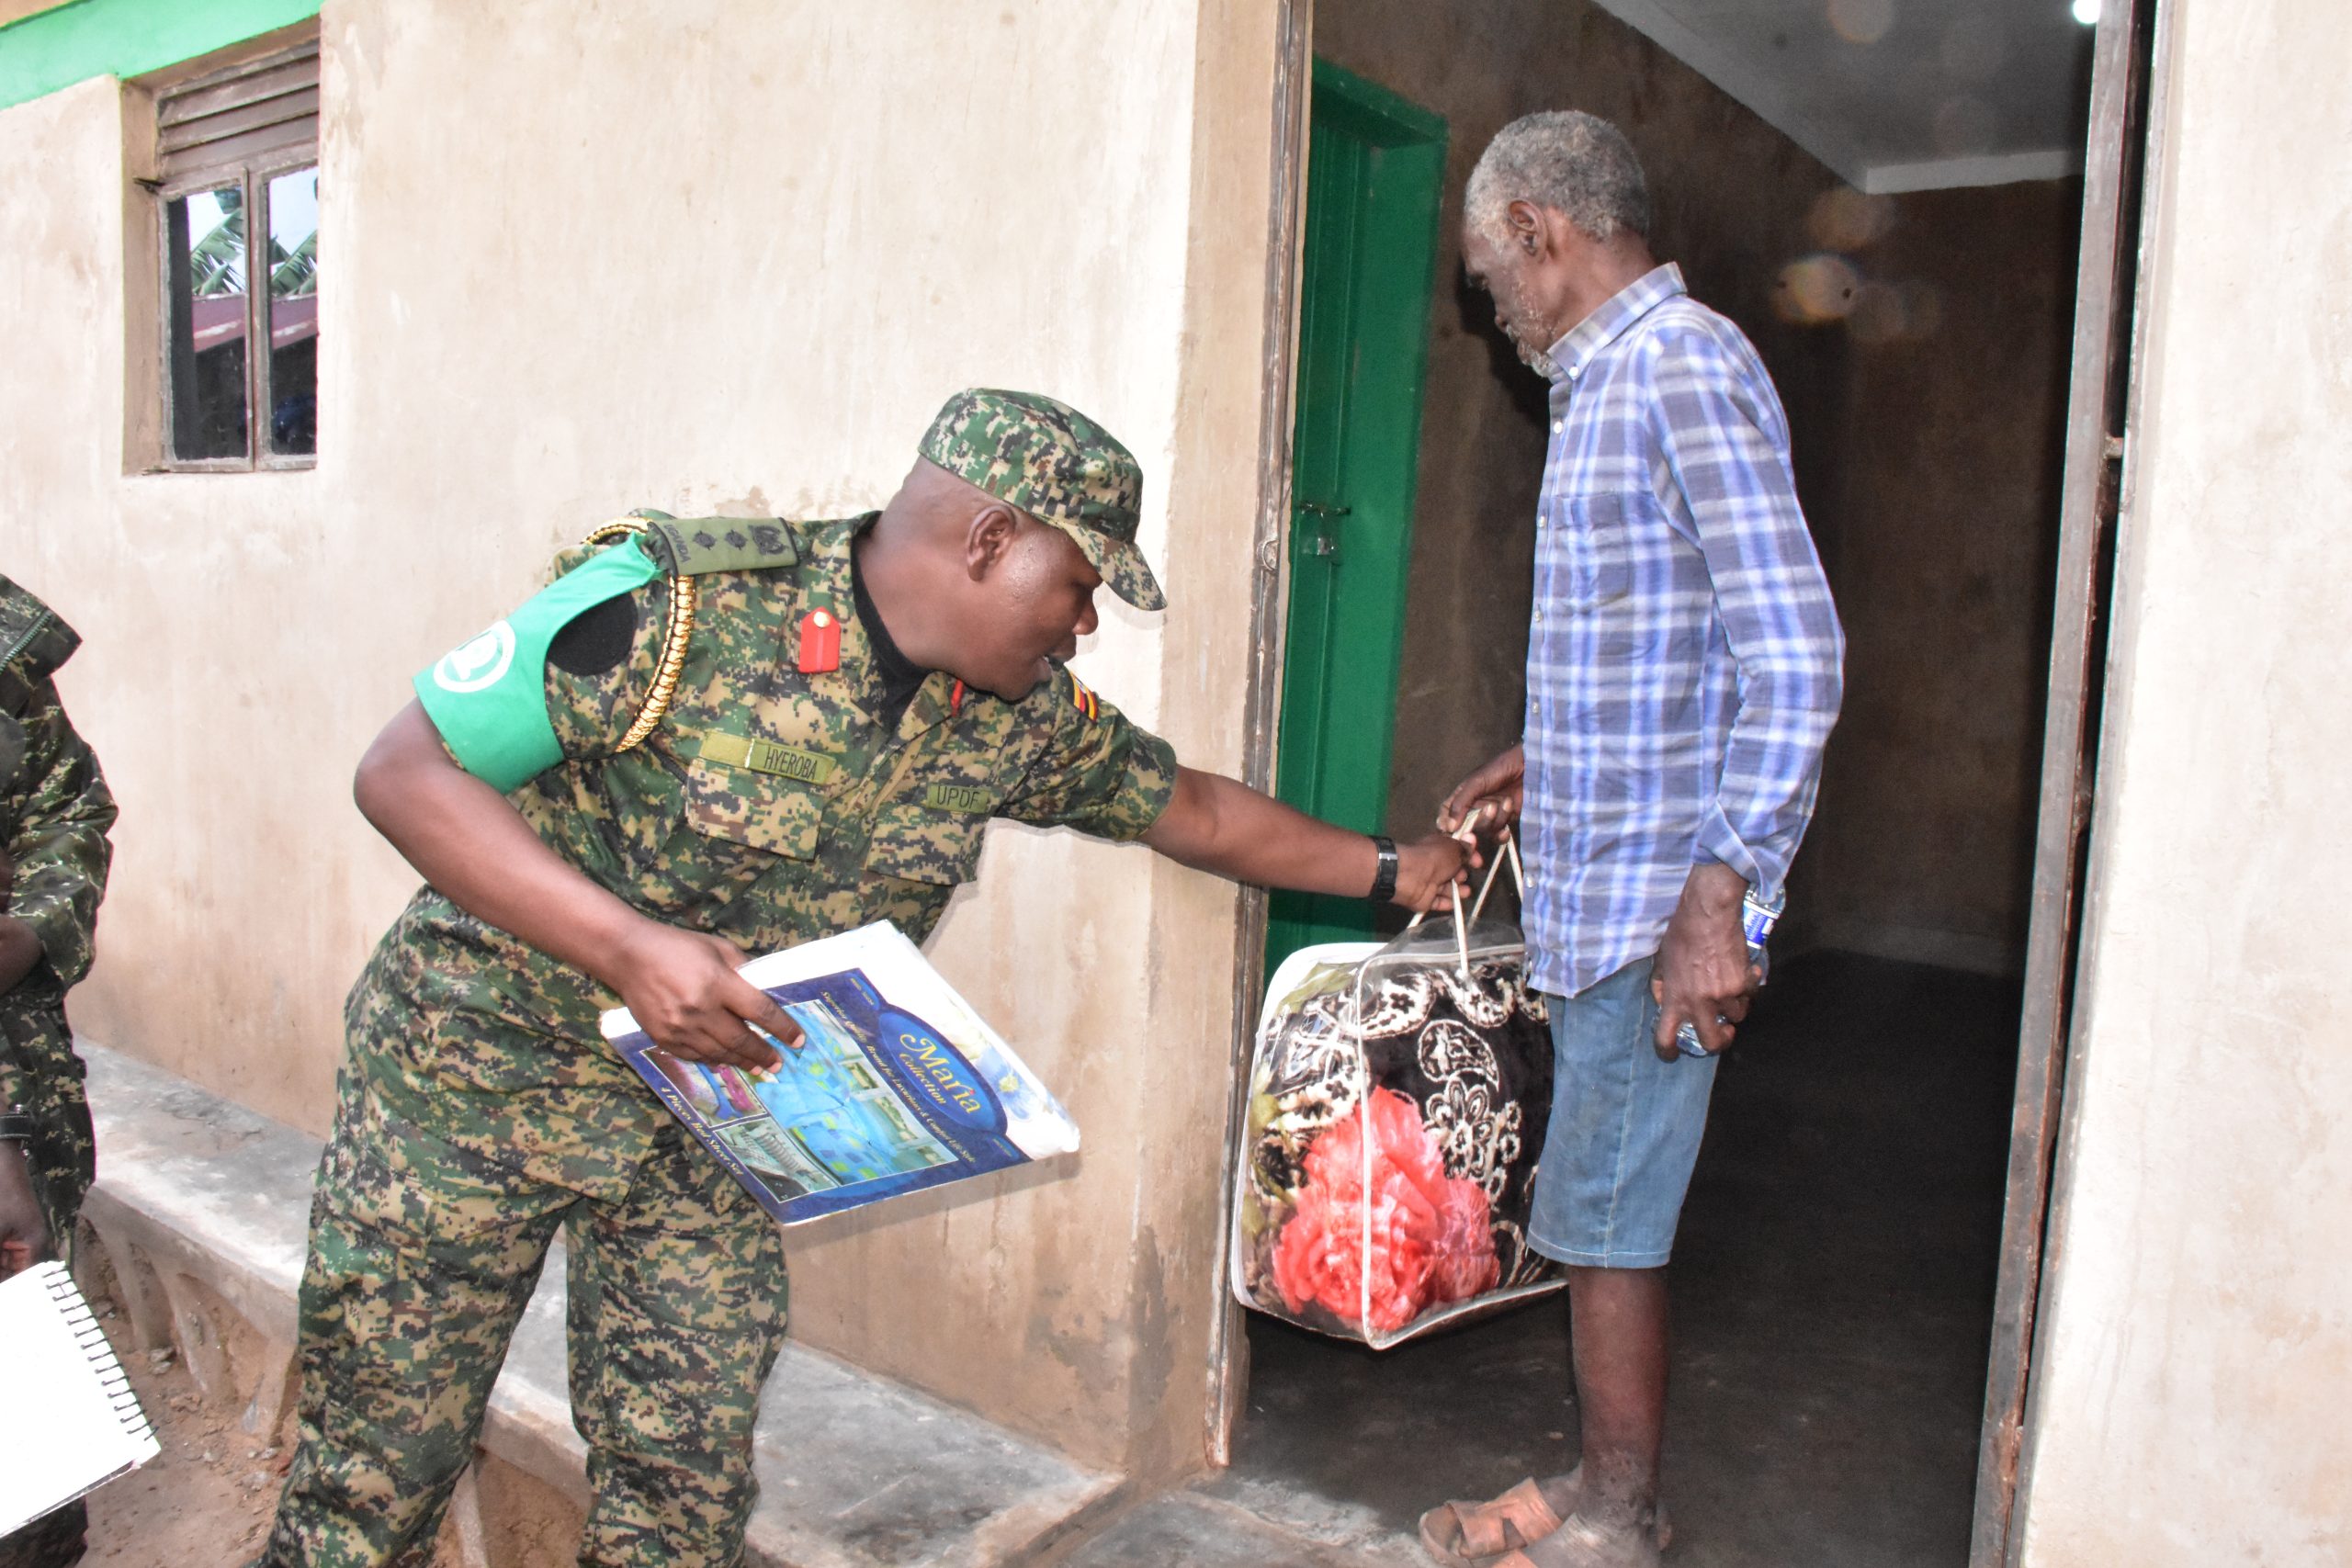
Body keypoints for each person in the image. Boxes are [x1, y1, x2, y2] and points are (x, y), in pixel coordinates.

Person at [257, 388, 1470, 1567]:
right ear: (992, 539)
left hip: (705, 1121)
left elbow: (1189, 806)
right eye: (1081, 583)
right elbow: (406, 771)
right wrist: (629, 946)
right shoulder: (680, 610)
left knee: (684, 1483)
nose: (1084, 622)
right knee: (376, 1470)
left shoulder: (1012, 716)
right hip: (477, 1082)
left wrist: (1390, 868)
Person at [1422, 114, 1844, 1568]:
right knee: (1595, 1201)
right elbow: (1675, 637)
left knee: (1606, 1220)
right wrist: (1548, 753)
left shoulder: (1682, 366)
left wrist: (1719, 896)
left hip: (1654, 908)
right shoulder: (1607, 389)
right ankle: (1601, 1477)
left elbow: (1793, 654)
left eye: (1492, 279)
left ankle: (1619, 1512)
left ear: (1540, 227)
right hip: (1608, 881)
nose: (1497, 312)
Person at [0, 577, 119, 1568]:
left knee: (23, 1326)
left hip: (11, 1052)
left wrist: (33, 928)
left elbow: (67, 806)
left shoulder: (5, 654)